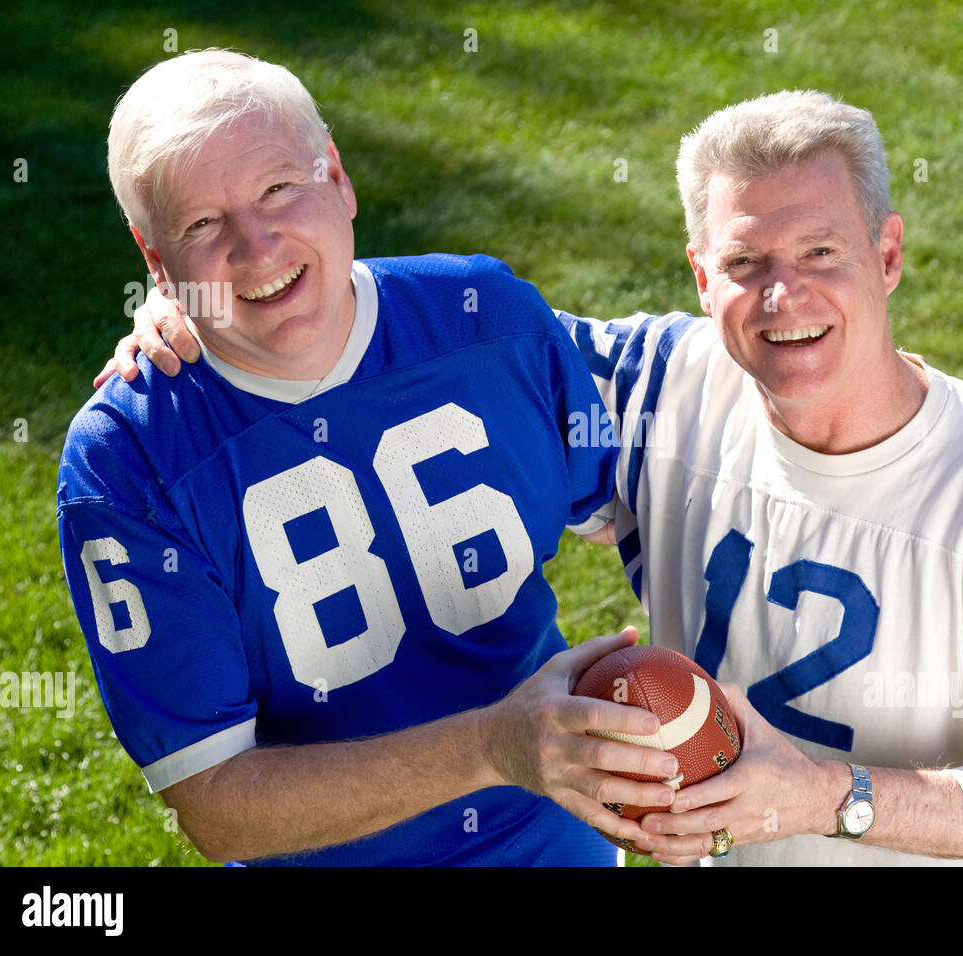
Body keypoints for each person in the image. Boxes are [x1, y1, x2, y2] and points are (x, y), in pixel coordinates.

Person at [103, 90, 963, 867]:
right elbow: (398, 341)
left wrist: (822, 797)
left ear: (887, 255)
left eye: (821, 250)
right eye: (744, 260)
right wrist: (213, 306)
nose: (784, 294)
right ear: (697, 274)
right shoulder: (656, 392)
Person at [60, 49, 686, 866]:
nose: (256, 247)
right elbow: (218, 807)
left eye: (279, 188)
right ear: (154, 257)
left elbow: (633, 503)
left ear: (340, 178)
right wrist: (494, 747)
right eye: (202, 226)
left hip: (554, 846)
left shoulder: (485, 316)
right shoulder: (128, 459)